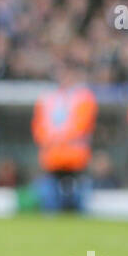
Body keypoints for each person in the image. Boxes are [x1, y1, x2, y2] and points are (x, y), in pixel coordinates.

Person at [31, 63, 97, 211]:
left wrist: (59, 138)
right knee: (51, 193)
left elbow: (83, 124)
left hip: (75, 155)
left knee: (78, 192)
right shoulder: (48, 98)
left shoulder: (83, 97)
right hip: (52, 155)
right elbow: (39, 125)